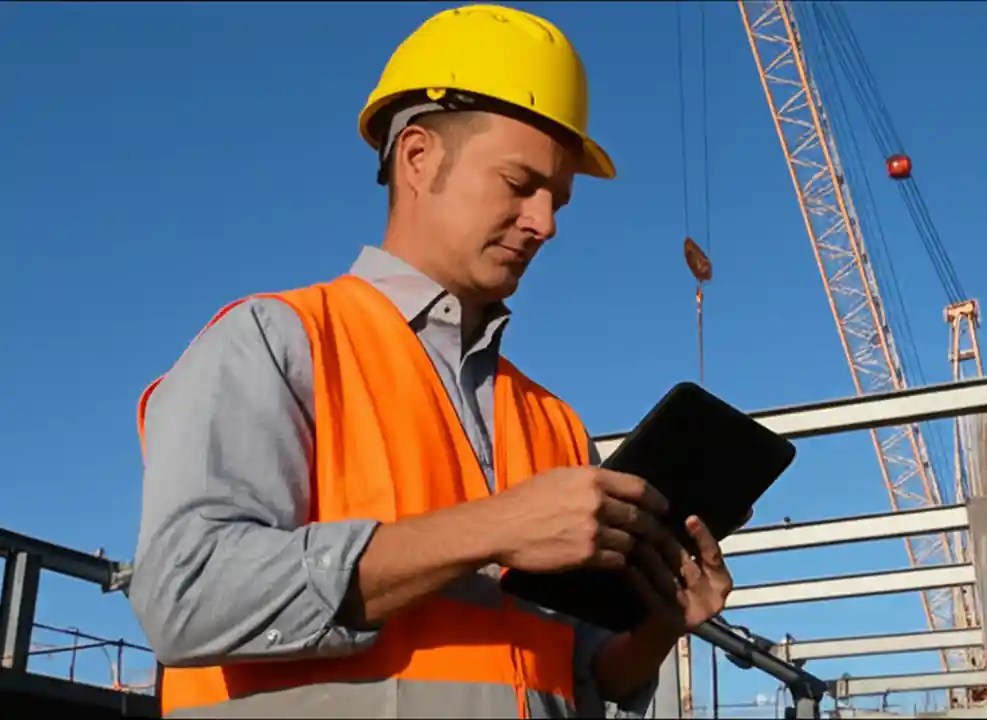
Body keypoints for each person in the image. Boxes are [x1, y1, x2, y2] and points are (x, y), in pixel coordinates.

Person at [127, 4, 744, 719]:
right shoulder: (278, 341)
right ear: (418, 158)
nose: (544, 223)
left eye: (558, 202)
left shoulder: (554, 424)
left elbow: (579, 673)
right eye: (520, 185)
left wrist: (661, 625)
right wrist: (493, 527)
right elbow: (185, 595)